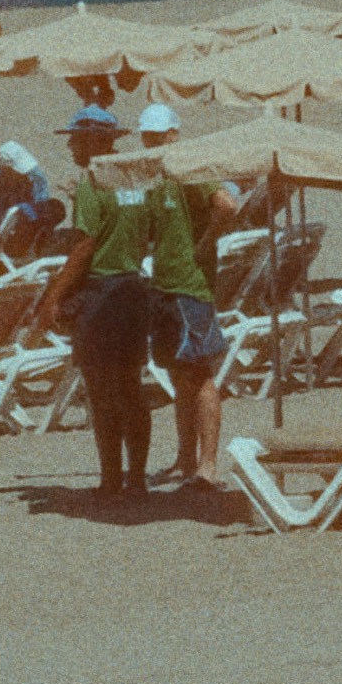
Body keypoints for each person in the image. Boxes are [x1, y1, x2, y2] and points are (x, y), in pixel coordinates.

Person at [38, 102, 158, 504]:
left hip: (103, 291)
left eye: (76, 138)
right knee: (131, 388)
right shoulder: (138, 180)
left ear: (93, 140)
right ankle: (137, 479)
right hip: (134, 288)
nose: (71, 146)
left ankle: (111, 480)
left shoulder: (93, 181)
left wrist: (54, 296)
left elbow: (85, 245)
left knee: (101, 391)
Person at [133, 101, 239, 492]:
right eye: (148, 136)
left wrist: (205, 244)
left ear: (174, 135)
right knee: (180, 375)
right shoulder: (159, 176)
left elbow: (227, 204)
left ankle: (207, 465)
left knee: (199, 372)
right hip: (165, 285)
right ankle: (185, 458)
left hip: (189, 288)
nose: (152, 142)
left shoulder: (191, 168)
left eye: (158, 136)